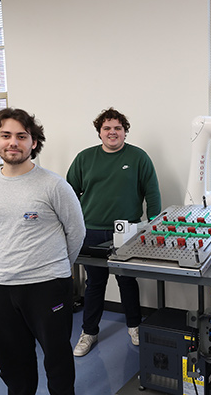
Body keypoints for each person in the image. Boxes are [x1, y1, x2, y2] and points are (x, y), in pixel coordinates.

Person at [0, 108, 86, 395]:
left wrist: (55, 267)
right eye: (6, 135)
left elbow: (76, 232)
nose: (13, 142)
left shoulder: (54, 185)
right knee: (13, 365)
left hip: (47, 287)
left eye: (22, 136)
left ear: (34, 142)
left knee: (58, 362)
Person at [67, 107, 161, 356]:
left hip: (127, 232)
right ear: (99, 132)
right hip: (92, 232)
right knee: (94, 284)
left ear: (125, 132)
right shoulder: (84, 158)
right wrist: (71, 225)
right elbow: (68, 194)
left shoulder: (139, 157)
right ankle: (89, 332)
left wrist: (153, 224)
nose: (112, 132)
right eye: (107, 128)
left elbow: (152, 193)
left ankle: (134, 326)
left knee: (127, 281)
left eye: (117, 128)